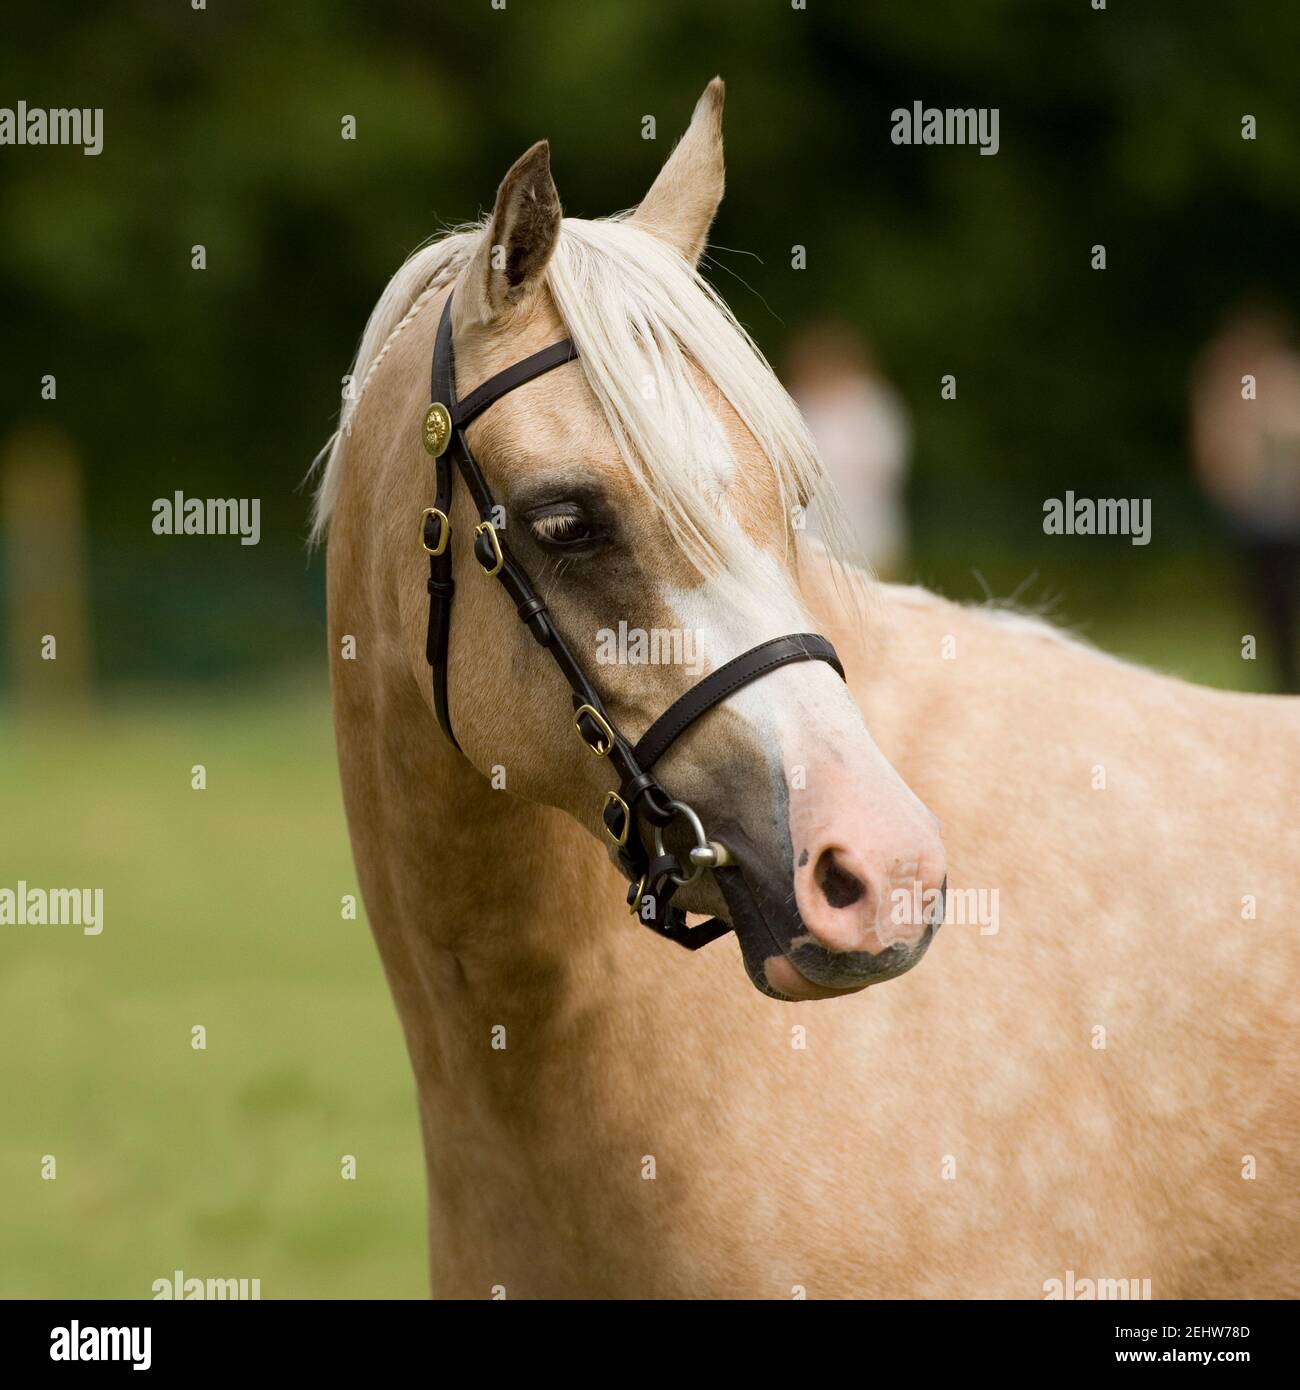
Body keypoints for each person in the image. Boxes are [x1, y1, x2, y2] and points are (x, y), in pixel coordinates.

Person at [1191, 304, 1300, 692]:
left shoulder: (1280, 380)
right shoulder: (1227, 388)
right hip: (1259, 518)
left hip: (1285, 513)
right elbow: (1218, 458)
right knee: (1271, 607)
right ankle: (1283, 682)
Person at [786, 321, 911, 576]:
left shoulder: (872, 405)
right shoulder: (795, 404)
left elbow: (886, 466)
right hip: (807, 542)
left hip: (868, 538)